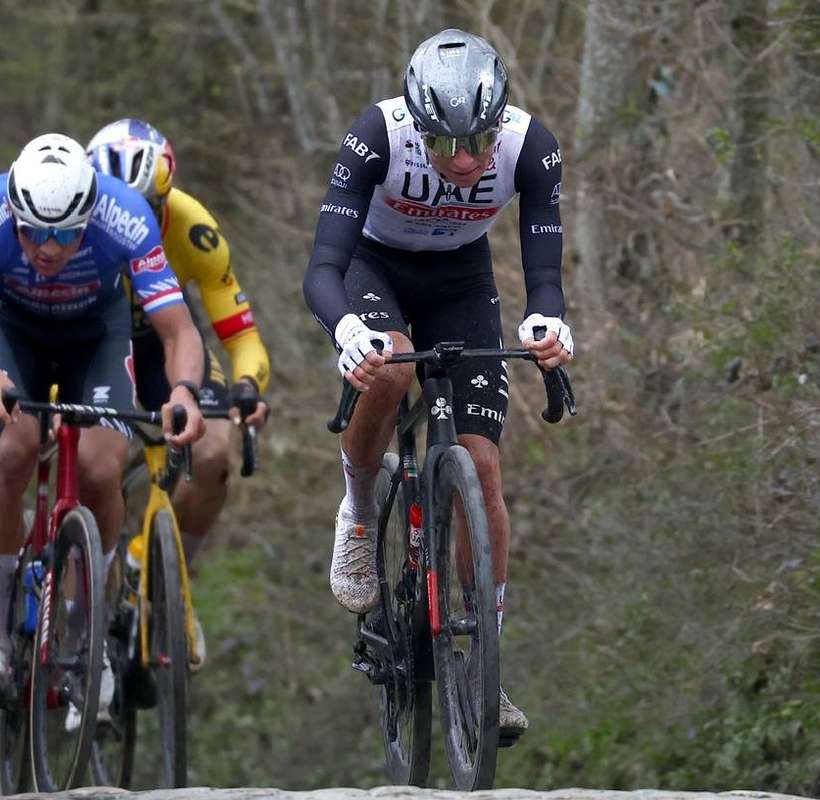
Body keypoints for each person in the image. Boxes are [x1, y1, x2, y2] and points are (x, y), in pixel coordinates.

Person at [301, 29, 573, 740]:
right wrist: (346, 333)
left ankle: (486, 660)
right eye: (443, 142)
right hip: (373, 269)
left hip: (461, 280)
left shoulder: (530, 146)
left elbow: (544, 268)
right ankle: (360, 513)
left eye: (477, 142)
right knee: (388, 366)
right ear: (416, 124)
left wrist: (549, 320)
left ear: (501, 123)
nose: (462, 159)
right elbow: (322, 268)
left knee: (482, 466)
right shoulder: (375, 136)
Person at [0, 133, 206, 717]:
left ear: (88, 220)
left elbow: (177, 331)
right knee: (12, 454)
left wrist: (186, 391)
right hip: (16, 339)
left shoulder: (125, 216)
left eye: (65, 234)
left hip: (96, 334)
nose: (47, 248)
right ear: (13, 214)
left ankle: (87, 633)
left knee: (100, 468)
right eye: (33, 232)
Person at [86, 119, 271, 670]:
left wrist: (245, 388)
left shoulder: (193, 229)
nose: (132, 222)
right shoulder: (72, 230)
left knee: (213, 455)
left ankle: (168, 579)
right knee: (96, 461)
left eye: (148, 208)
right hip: (95, 344)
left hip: (169, 346)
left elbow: (240, 336)